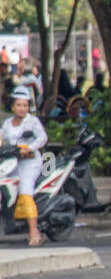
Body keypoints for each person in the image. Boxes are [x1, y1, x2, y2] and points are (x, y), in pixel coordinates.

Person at [2, 88, 49, 246]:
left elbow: (43, 138)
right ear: (13, 107)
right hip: (10, 163)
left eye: (25, 105)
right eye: (19, 105)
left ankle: (34, 232)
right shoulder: (7, 123)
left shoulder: (32, 121)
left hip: (30, 163)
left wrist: (30, 148)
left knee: (24, 190)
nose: (22, 108)